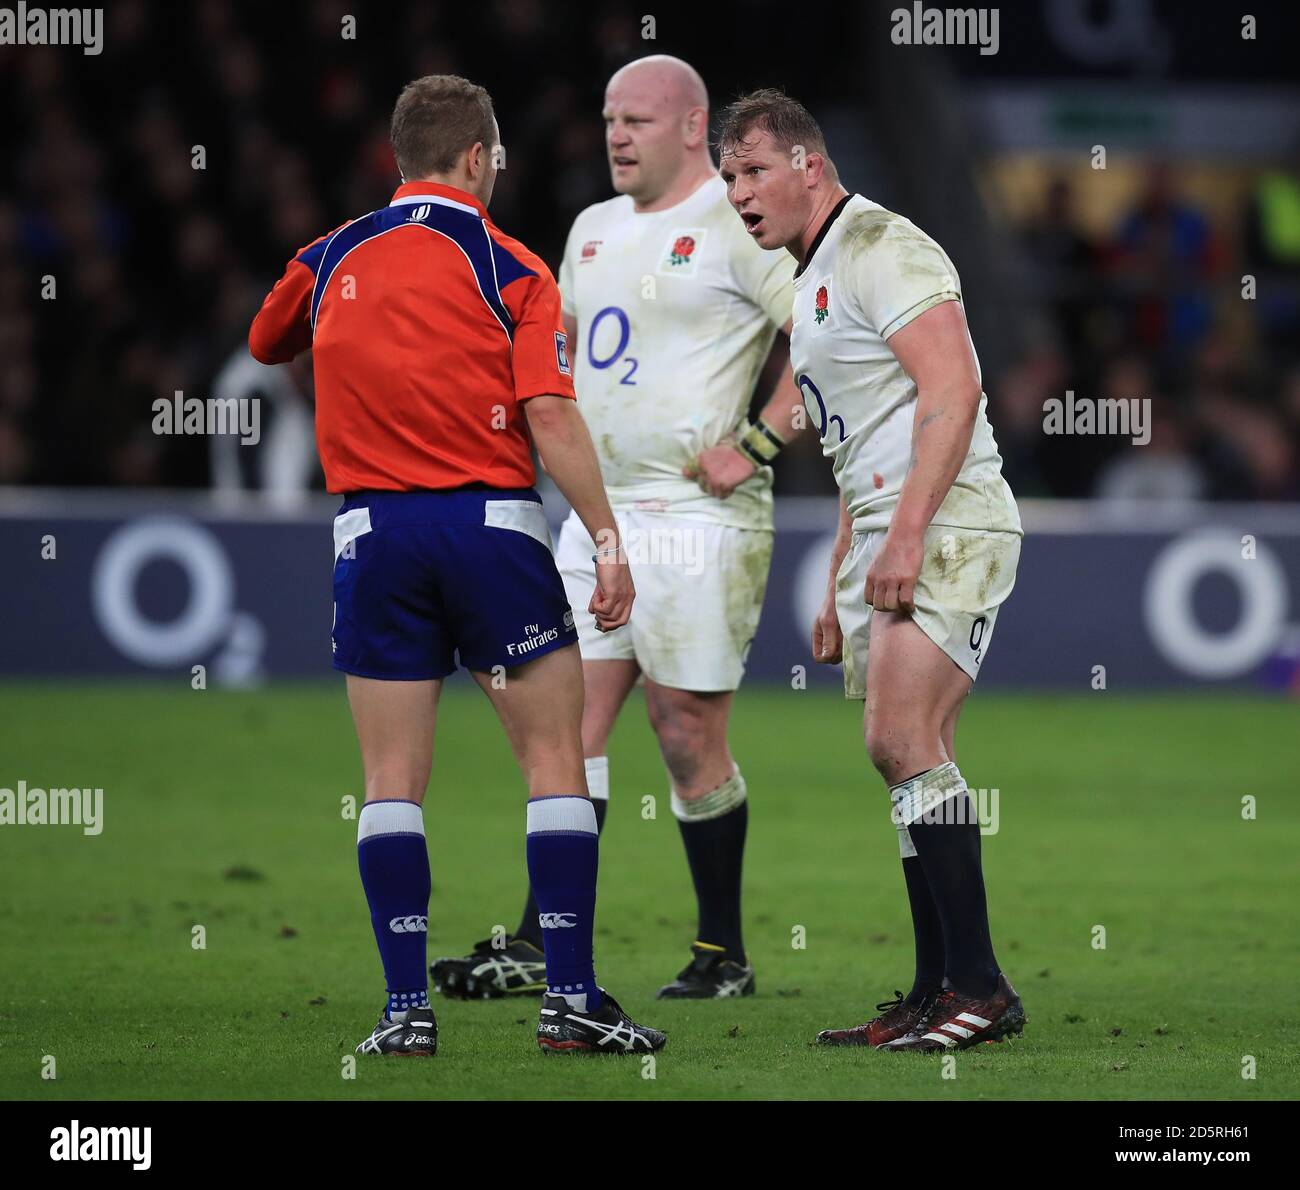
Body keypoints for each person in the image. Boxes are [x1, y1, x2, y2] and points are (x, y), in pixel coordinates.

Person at [249, 74, 665, 1056]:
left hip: (373, 539)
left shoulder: (330, 252)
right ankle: (568, 1000)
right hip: (491, 534)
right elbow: (549, 414)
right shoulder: (513, 267)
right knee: (554, 763)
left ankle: (404, 1011)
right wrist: (605, 535)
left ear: (401, 158)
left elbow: (267, 338)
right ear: (476, 158)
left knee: (391, 777)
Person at [432, 55, 800, 1002]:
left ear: (692, 127)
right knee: (564, 727)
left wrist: (755, 441)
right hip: (599, 513)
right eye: (607, 118)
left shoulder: (734, 220)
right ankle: (537, 942)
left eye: (636, 118)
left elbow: (828, 334)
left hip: (697, 515)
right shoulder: (592, 229)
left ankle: (724, 952)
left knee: (683, 730)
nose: (616, 135)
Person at [717, 88, 1026, 1050]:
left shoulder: (883, 246)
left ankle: (982, 989)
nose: (738, 194)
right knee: (899, 754)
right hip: (894, 527)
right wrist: (850, 554)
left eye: (754, 171)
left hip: (949, 521)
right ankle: (937, 991)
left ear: (809, 163)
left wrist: (904, 536)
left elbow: (953, 386)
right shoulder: (812, 279)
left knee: (904, 737)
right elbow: (866, 432)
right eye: (728, 177)